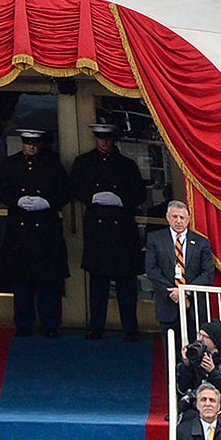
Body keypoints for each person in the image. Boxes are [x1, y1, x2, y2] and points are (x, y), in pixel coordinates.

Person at [69, 122, 146, 342]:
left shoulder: (126, 164)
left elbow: (140, 193)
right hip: (98, 228)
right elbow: (75, 187)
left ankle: (130, 328)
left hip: (122, 229)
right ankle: (96, 327)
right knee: (98, 282)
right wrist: (91, 197)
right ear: (95, 138)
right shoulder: (84, 162)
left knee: (126, 283)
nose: (104, 142)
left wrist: (121, 200)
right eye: (100, 138)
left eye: (108, 138)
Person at [0, 128, 71, 338]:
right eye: (28, 143)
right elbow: (0, 189)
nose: (31, 147)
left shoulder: (52, 164)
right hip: (20, 230)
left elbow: (64, 191)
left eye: (35, 143)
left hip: (46, 230)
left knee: (48, 282)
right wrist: (16, 200)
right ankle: (23, 324)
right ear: (22, 143)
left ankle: (51, 324)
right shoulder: (10, 164)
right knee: (22, 281)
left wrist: (47, 202)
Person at [144, 199, 215, 338]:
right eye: (175, 217)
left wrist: (185, 292)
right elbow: (152, 269)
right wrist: (173, 293)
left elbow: (207, 273)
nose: (178, 221)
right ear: (167, 217)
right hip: (167, 305)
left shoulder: (202, 242)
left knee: (195, 347)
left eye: (182, 218)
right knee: (171, 347)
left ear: (188, 219)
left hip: (193, 306)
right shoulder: (155, 239)